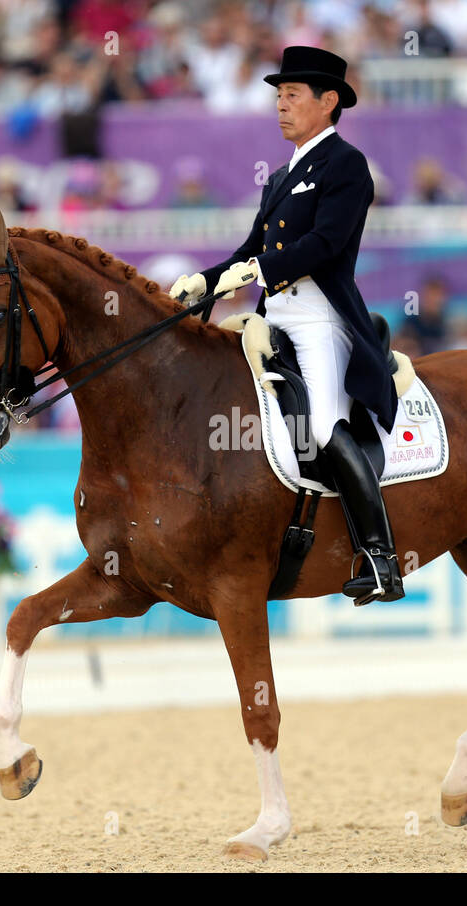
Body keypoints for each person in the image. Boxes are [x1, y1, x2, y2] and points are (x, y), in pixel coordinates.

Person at [168, 45, 403, 605]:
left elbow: (324, 244)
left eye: (292, 95)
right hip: (273, 314)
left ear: (327, 103)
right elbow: (251, 249)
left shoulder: (347, 166)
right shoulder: (280, 176)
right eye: (278, 96)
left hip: (320, 314)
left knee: (321, 427)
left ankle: (381, 557)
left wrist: (258, 269)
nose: (281, 105)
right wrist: (204, 281)